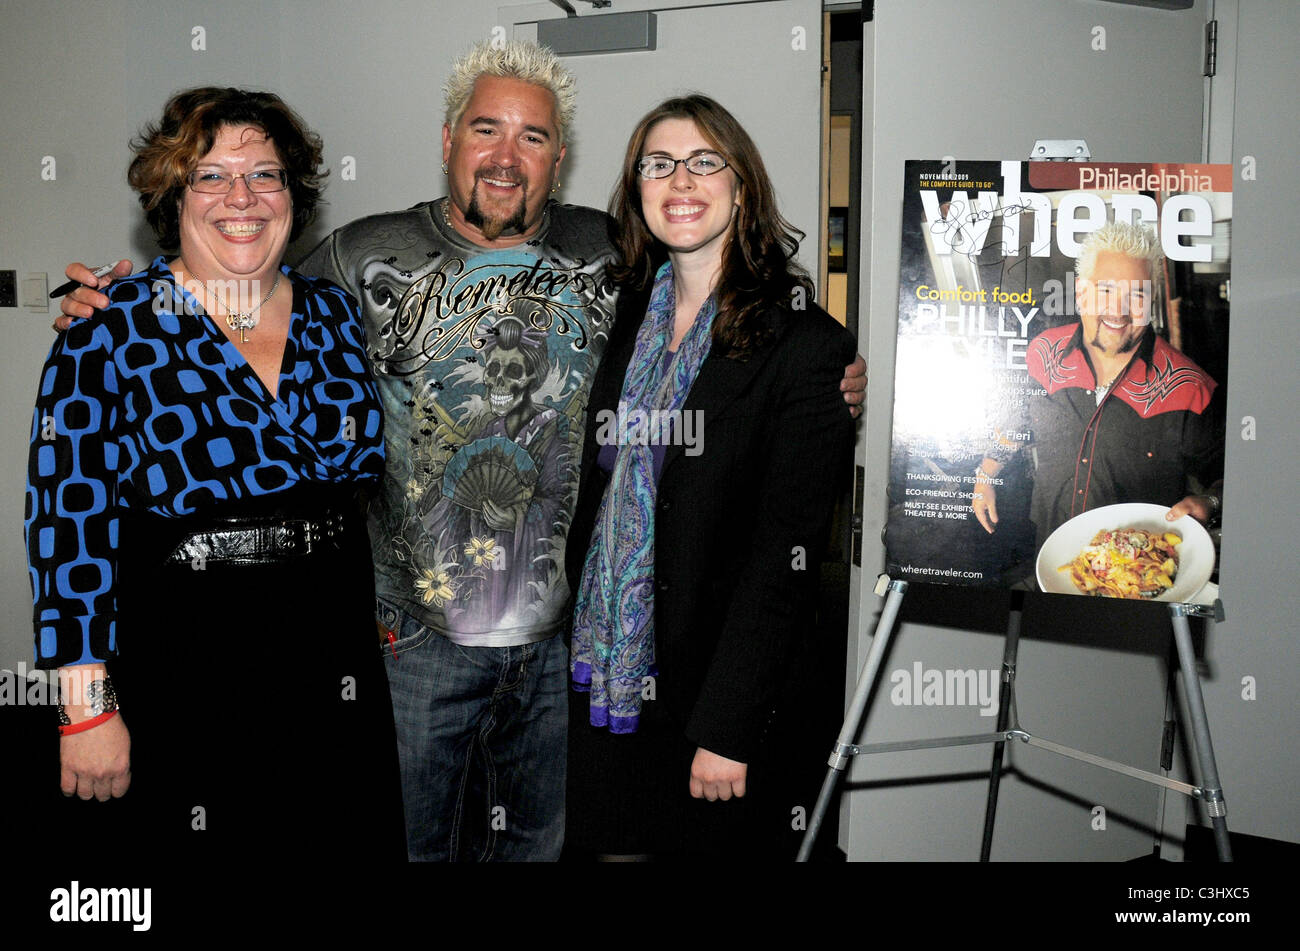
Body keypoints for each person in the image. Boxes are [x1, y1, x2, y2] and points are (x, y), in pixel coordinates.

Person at [58, 41, 867, 862]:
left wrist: (824, 364)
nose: (506, 157)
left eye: (534, 137)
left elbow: (719, 315)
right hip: (403, 646)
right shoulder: (355, 259)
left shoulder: (612, 255)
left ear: (561, 157)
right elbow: (239, 271)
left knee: (545, 850)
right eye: (486, 129)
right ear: (448, 140)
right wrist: (117, 300)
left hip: (562, 650)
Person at [27, 87, 405, 859]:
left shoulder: (334, 313)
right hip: (187, 666)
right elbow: (67, 531)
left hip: (332, 658)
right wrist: (85, 710)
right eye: (210, 175)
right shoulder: (106, 330)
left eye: (265, 174)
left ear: (293, 195)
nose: (242, 197)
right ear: (173, 195)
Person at [564, 95, 856, 859]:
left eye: (704, 161)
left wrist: (727, 728)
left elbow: (783, 560)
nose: (680, 180)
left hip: (713, 695)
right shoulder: (628, 314)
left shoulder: (806, 345)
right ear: (636, 188)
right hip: (607, 672)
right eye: (658, 164)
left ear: (742, 185)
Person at [971, 220, 1224, 559]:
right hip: (1051, 555)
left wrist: (1209, 501)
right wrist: (986, 473)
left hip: (1138, 578)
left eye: (1135, 294)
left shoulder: (1189, 388)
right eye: (1106, 290)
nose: (1117, 311)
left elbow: (1235, 474)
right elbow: (1019, 422)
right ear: (1081, 292)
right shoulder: (1043, 354)